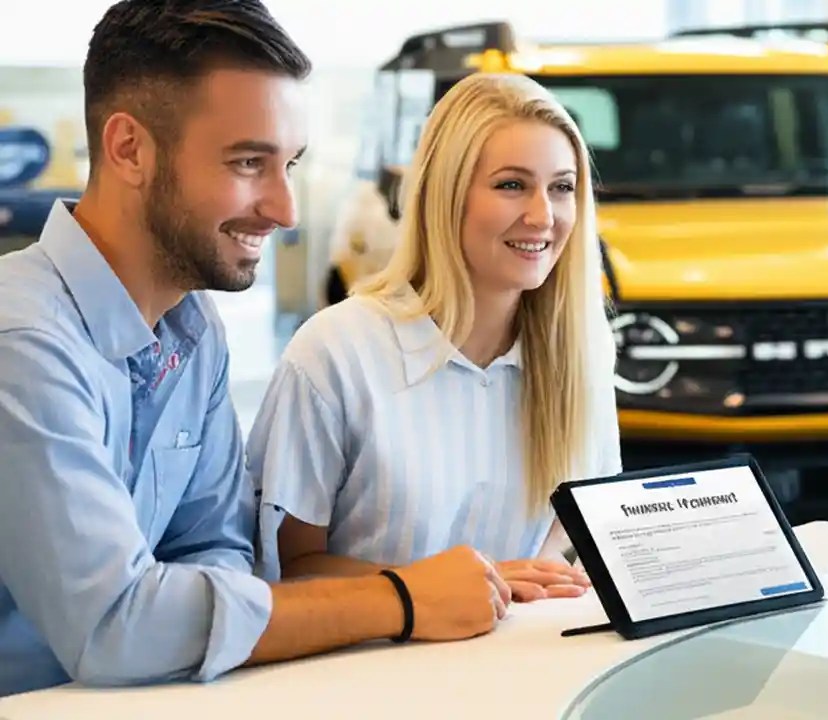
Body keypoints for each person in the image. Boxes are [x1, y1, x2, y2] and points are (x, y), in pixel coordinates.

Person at [0, 1, 510, 699]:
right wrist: (401, 600)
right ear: (129, 149)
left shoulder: (192, 328)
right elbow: (115, 626)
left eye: (290, 165)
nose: (286, 208)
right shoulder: (23, 341)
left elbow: (215, 551)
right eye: (248, 163)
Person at [246, 72, 618, 601]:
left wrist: (531, 571)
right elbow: (286, 568)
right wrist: (448, 589)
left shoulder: (582, 350)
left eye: (561, 187)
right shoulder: (336, 352)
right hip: (363, 669)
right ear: (446, 196)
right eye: (511, 185)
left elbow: (572, 516)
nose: (542, 216)